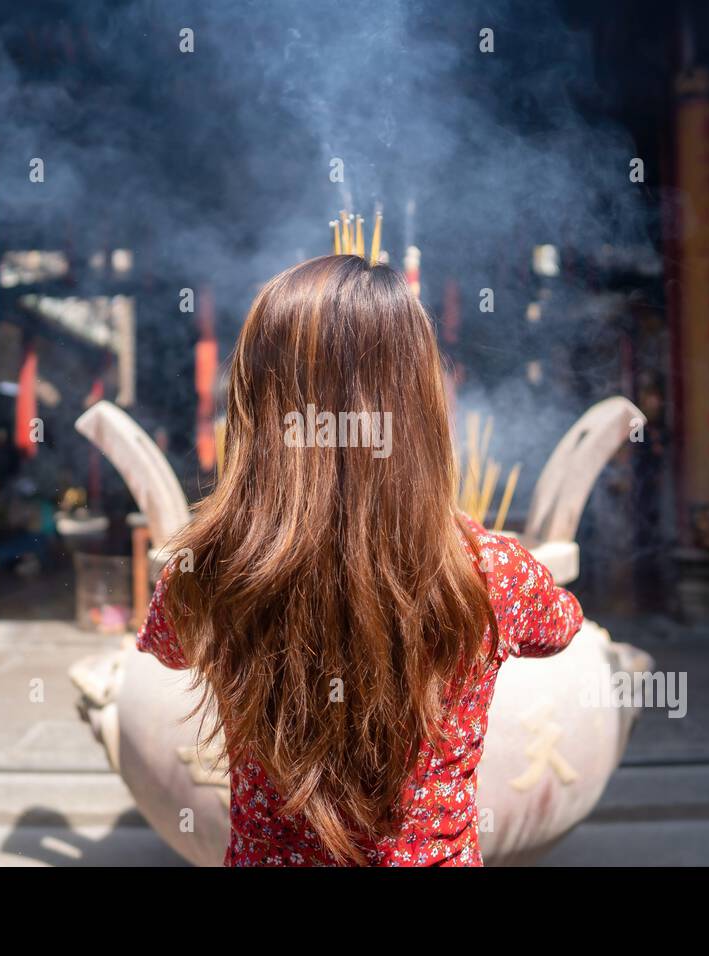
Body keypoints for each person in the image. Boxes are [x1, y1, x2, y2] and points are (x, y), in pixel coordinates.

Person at [137, 254, 583, 866]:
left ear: (256, 403)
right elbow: (560, 625)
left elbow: (164, 645)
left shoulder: (208, 567)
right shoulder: (489, 571)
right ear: (421, 403)